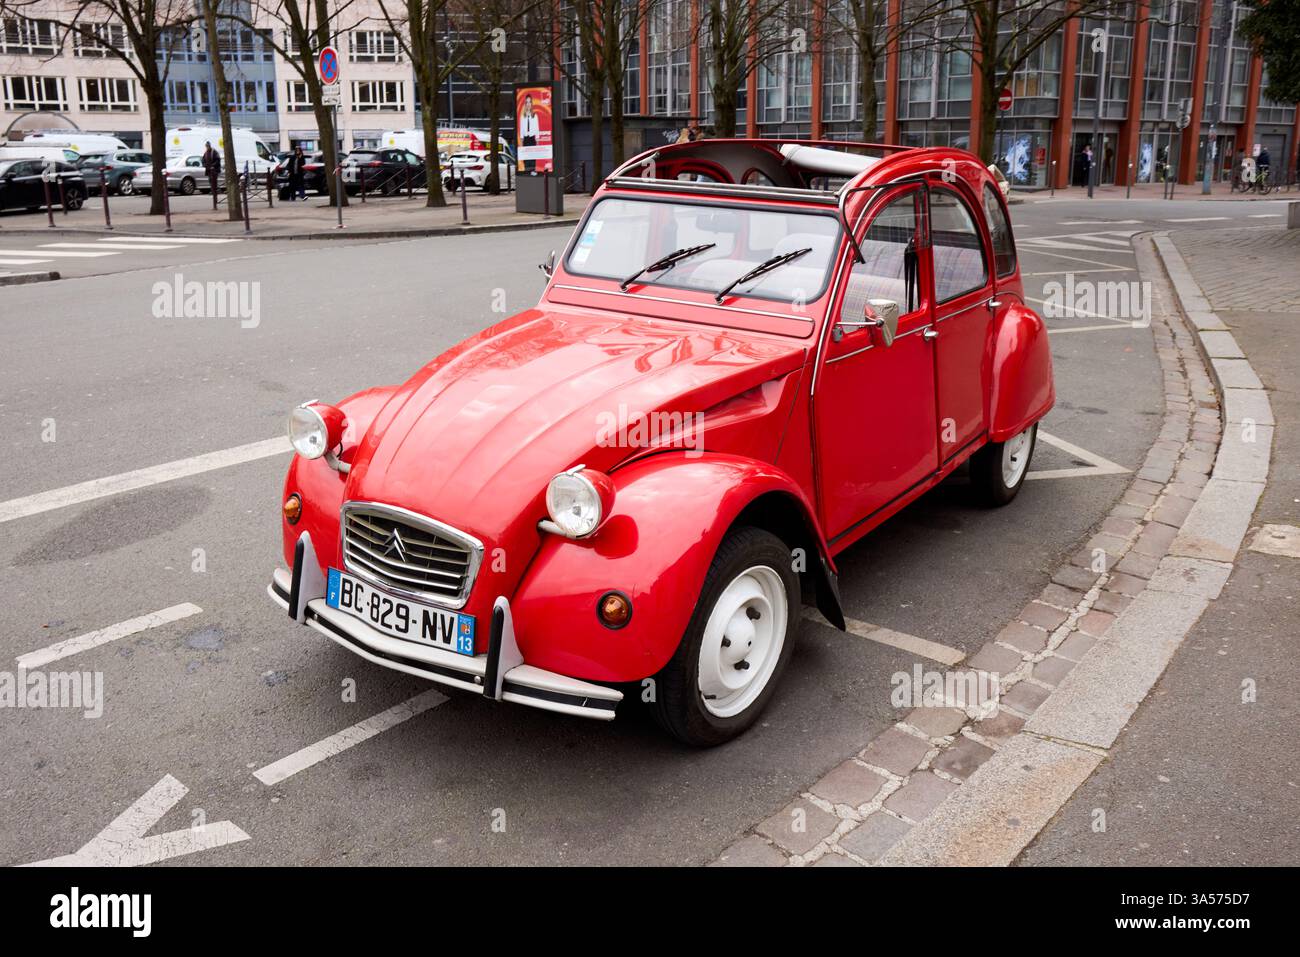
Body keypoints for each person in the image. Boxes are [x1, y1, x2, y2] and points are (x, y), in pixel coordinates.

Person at [202, 141, 220, 206]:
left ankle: (215, 190)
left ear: (210, 146)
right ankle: (213, 190)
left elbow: (218, 160)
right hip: (209, 170)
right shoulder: (206, 153)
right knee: (210, 180)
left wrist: (213, 166)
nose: (207, 147)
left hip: (214, 170)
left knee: (214, 180)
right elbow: (203, 160)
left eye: (208, 146)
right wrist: (204, 165)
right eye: (206, 146)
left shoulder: (214, 152)